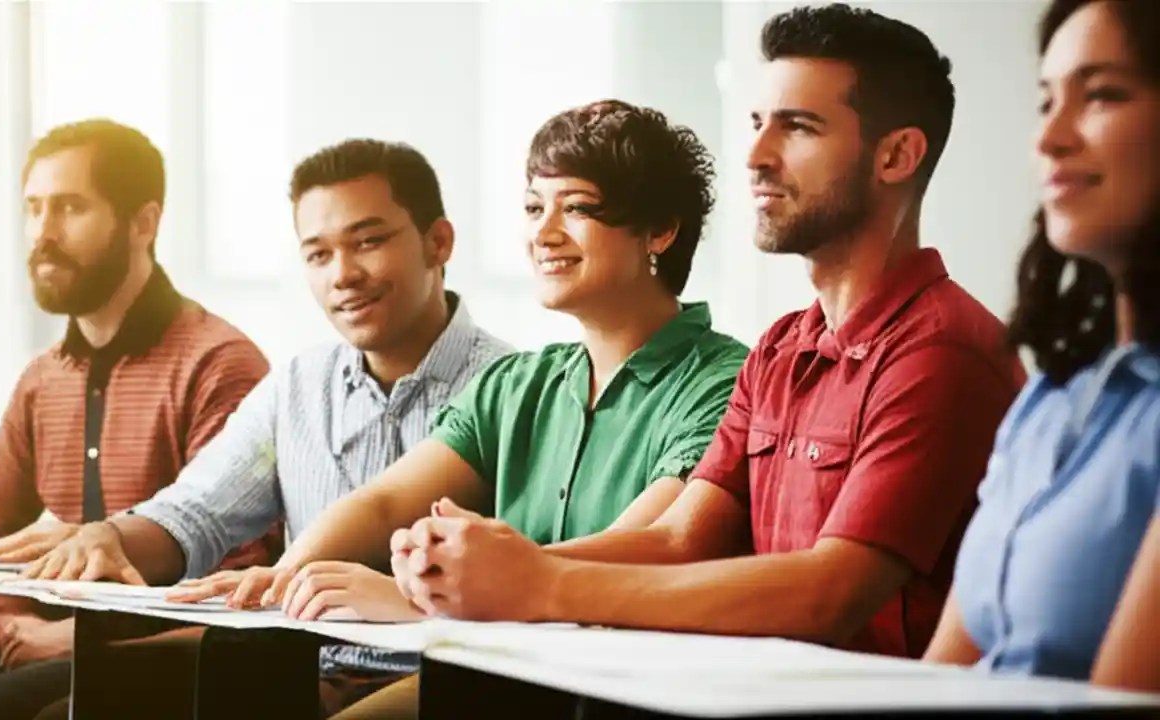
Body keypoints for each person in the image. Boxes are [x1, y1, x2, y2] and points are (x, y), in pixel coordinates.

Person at [38, 99, 749, 717]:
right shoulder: (523, 383)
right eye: (535, 208)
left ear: (660, 231)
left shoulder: (724, 377)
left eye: (579, 208)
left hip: (612, 691)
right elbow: (383, 504)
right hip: (488, 668)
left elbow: (654, 548)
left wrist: (447, 592)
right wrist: (292, 577)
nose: (545, 233)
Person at [395, 4, 1025, 663]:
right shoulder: (780, 350)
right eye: (756, 125)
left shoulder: (941, 352)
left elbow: (831, 592)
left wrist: (537, 583)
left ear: (896, 155)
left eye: (798, 128)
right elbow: (679, 542)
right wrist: (485, 567)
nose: (754, 156)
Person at [20, 138, 511, 715]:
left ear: (438, 242)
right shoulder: (298, 386)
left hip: (449, 677)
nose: (344, 275)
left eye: (369, 242)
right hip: (296, 664)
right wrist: (111, 536)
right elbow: (197, 512)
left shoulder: (510, 387)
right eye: (318, 255)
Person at [0, 119, 274, 720]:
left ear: (143, 223)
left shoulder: (218, 364)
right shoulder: (43, 378)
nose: (43, 233)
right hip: (51, 643)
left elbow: (240, 568)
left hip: (167, 655)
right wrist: (12, 627)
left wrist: (81, 639)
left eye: (70, 207)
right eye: (34, 208)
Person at [923, 0, 1160, 694]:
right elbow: (940, 679)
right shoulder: (1049, 402)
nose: (1049, 138)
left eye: (1104, 95)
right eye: (1046, 100)